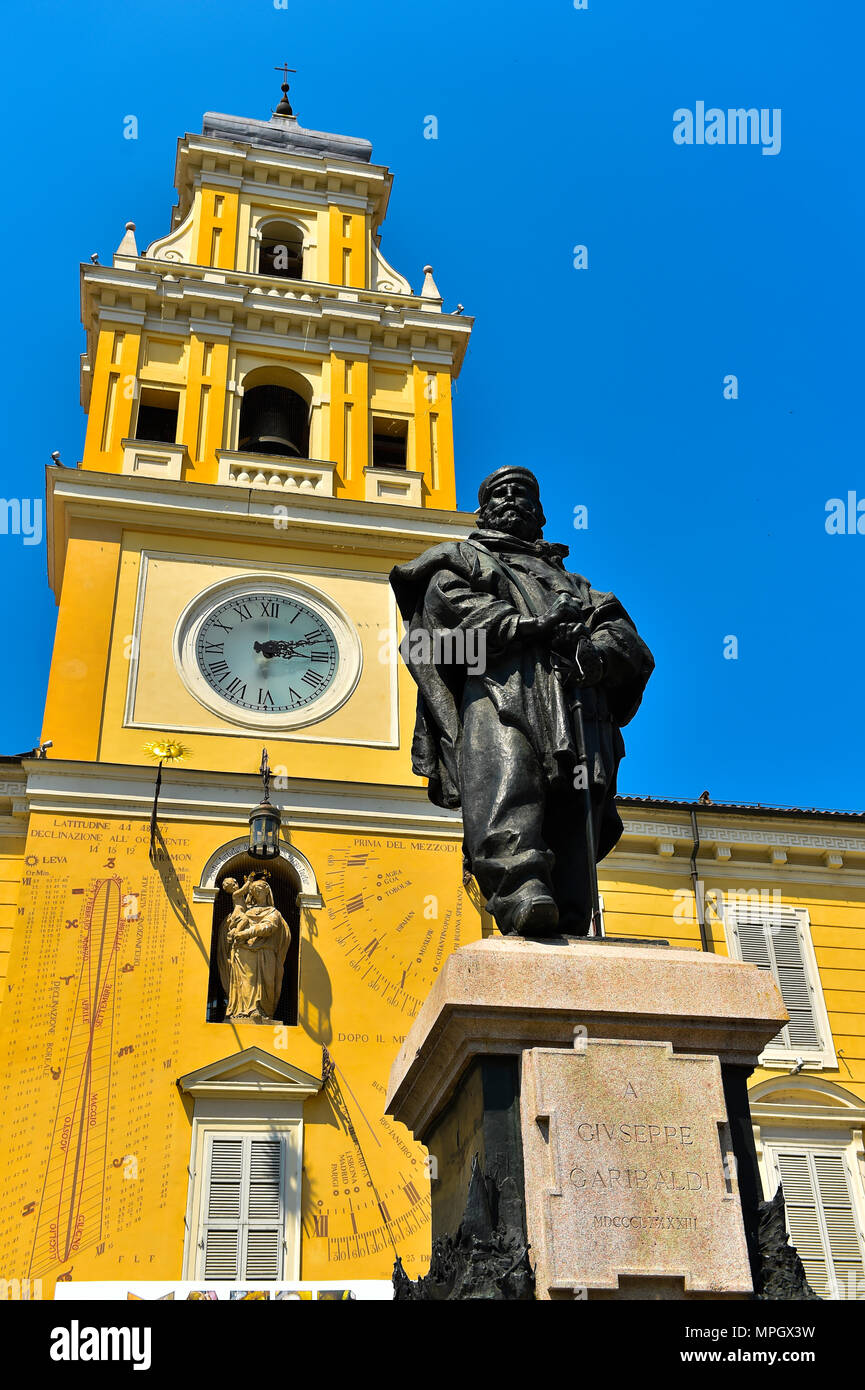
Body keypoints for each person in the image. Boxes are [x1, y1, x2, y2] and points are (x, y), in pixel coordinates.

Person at [389, 466, 654, 937]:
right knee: (509, 785)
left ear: (541, 513)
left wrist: (592, 653)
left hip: (577, 707)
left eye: (524, 494)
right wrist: (534, 626)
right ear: (483, 510)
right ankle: (520, 891)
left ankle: (572, 906)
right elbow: (444, 622)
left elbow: (628, 642)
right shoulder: (458, 561)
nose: (512, 499)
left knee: (578, 808)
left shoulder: (581, 586)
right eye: (500, 493)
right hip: (502, 691)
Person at [217, 873, 291, 1023]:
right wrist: (231, 929)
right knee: (246, 981)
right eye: (254, 889)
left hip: (265, 952)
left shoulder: (273, 913)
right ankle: (243, 1011)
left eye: (260, 888)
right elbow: (232, 925)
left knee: (266, 984)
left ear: (267, 891)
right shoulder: (245, 912)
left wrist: (244, 933)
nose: (257, 891)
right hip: (243, 951)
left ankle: (263, 1011)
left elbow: (269, 927)